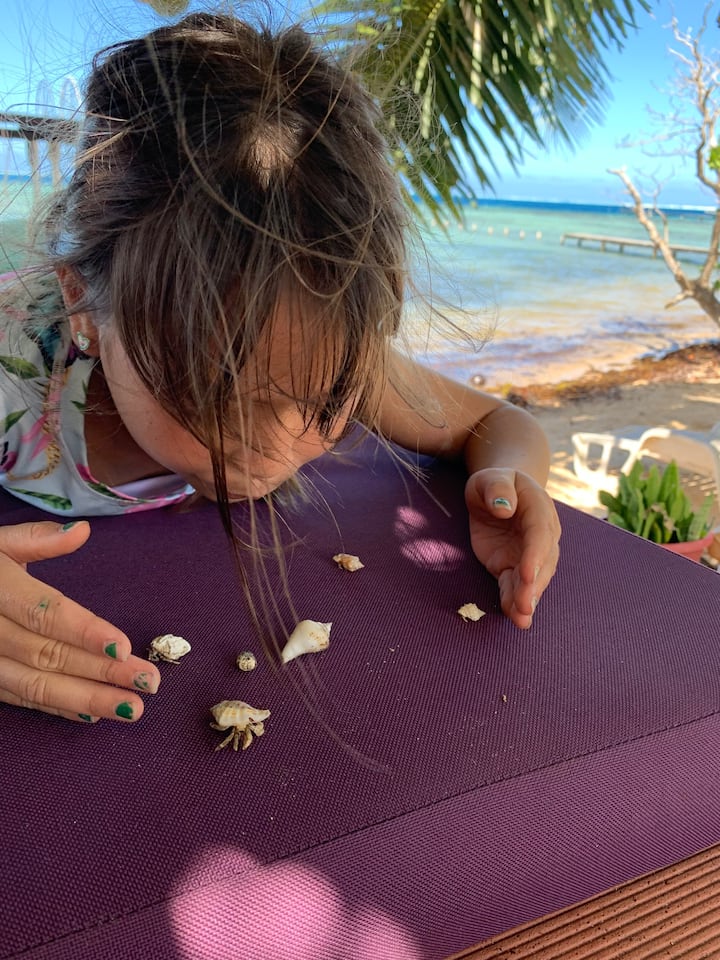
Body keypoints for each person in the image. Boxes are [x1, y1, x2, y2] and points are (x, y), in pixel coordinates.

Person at [0, 13, 561, 726]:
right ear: (84, 307)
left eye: (325, 398)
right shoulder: (13, 377)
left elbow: (497, 420)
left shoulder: (323, 349)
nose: (275, 450)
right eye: (217, 400)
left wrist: (510, 481)